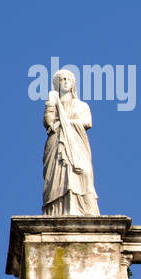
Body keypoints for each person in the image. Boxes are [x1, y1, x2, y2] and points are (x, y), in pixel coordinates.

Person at [42, 68, 100, 216]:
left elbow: (87, 121)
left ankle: (84, 209)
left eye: (69, 79)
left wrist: (65, 122)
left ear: (73, 85)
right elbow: (48, 121)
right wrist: (51, 100)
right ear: (58, 84)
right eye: (63, 79)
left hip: (77, 143)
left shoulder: (81, 105)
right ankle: (59, 210)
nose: (66, 82)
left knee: (84, 173)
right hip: (57, 143)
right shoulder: (54, 104)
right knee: (59, 174)